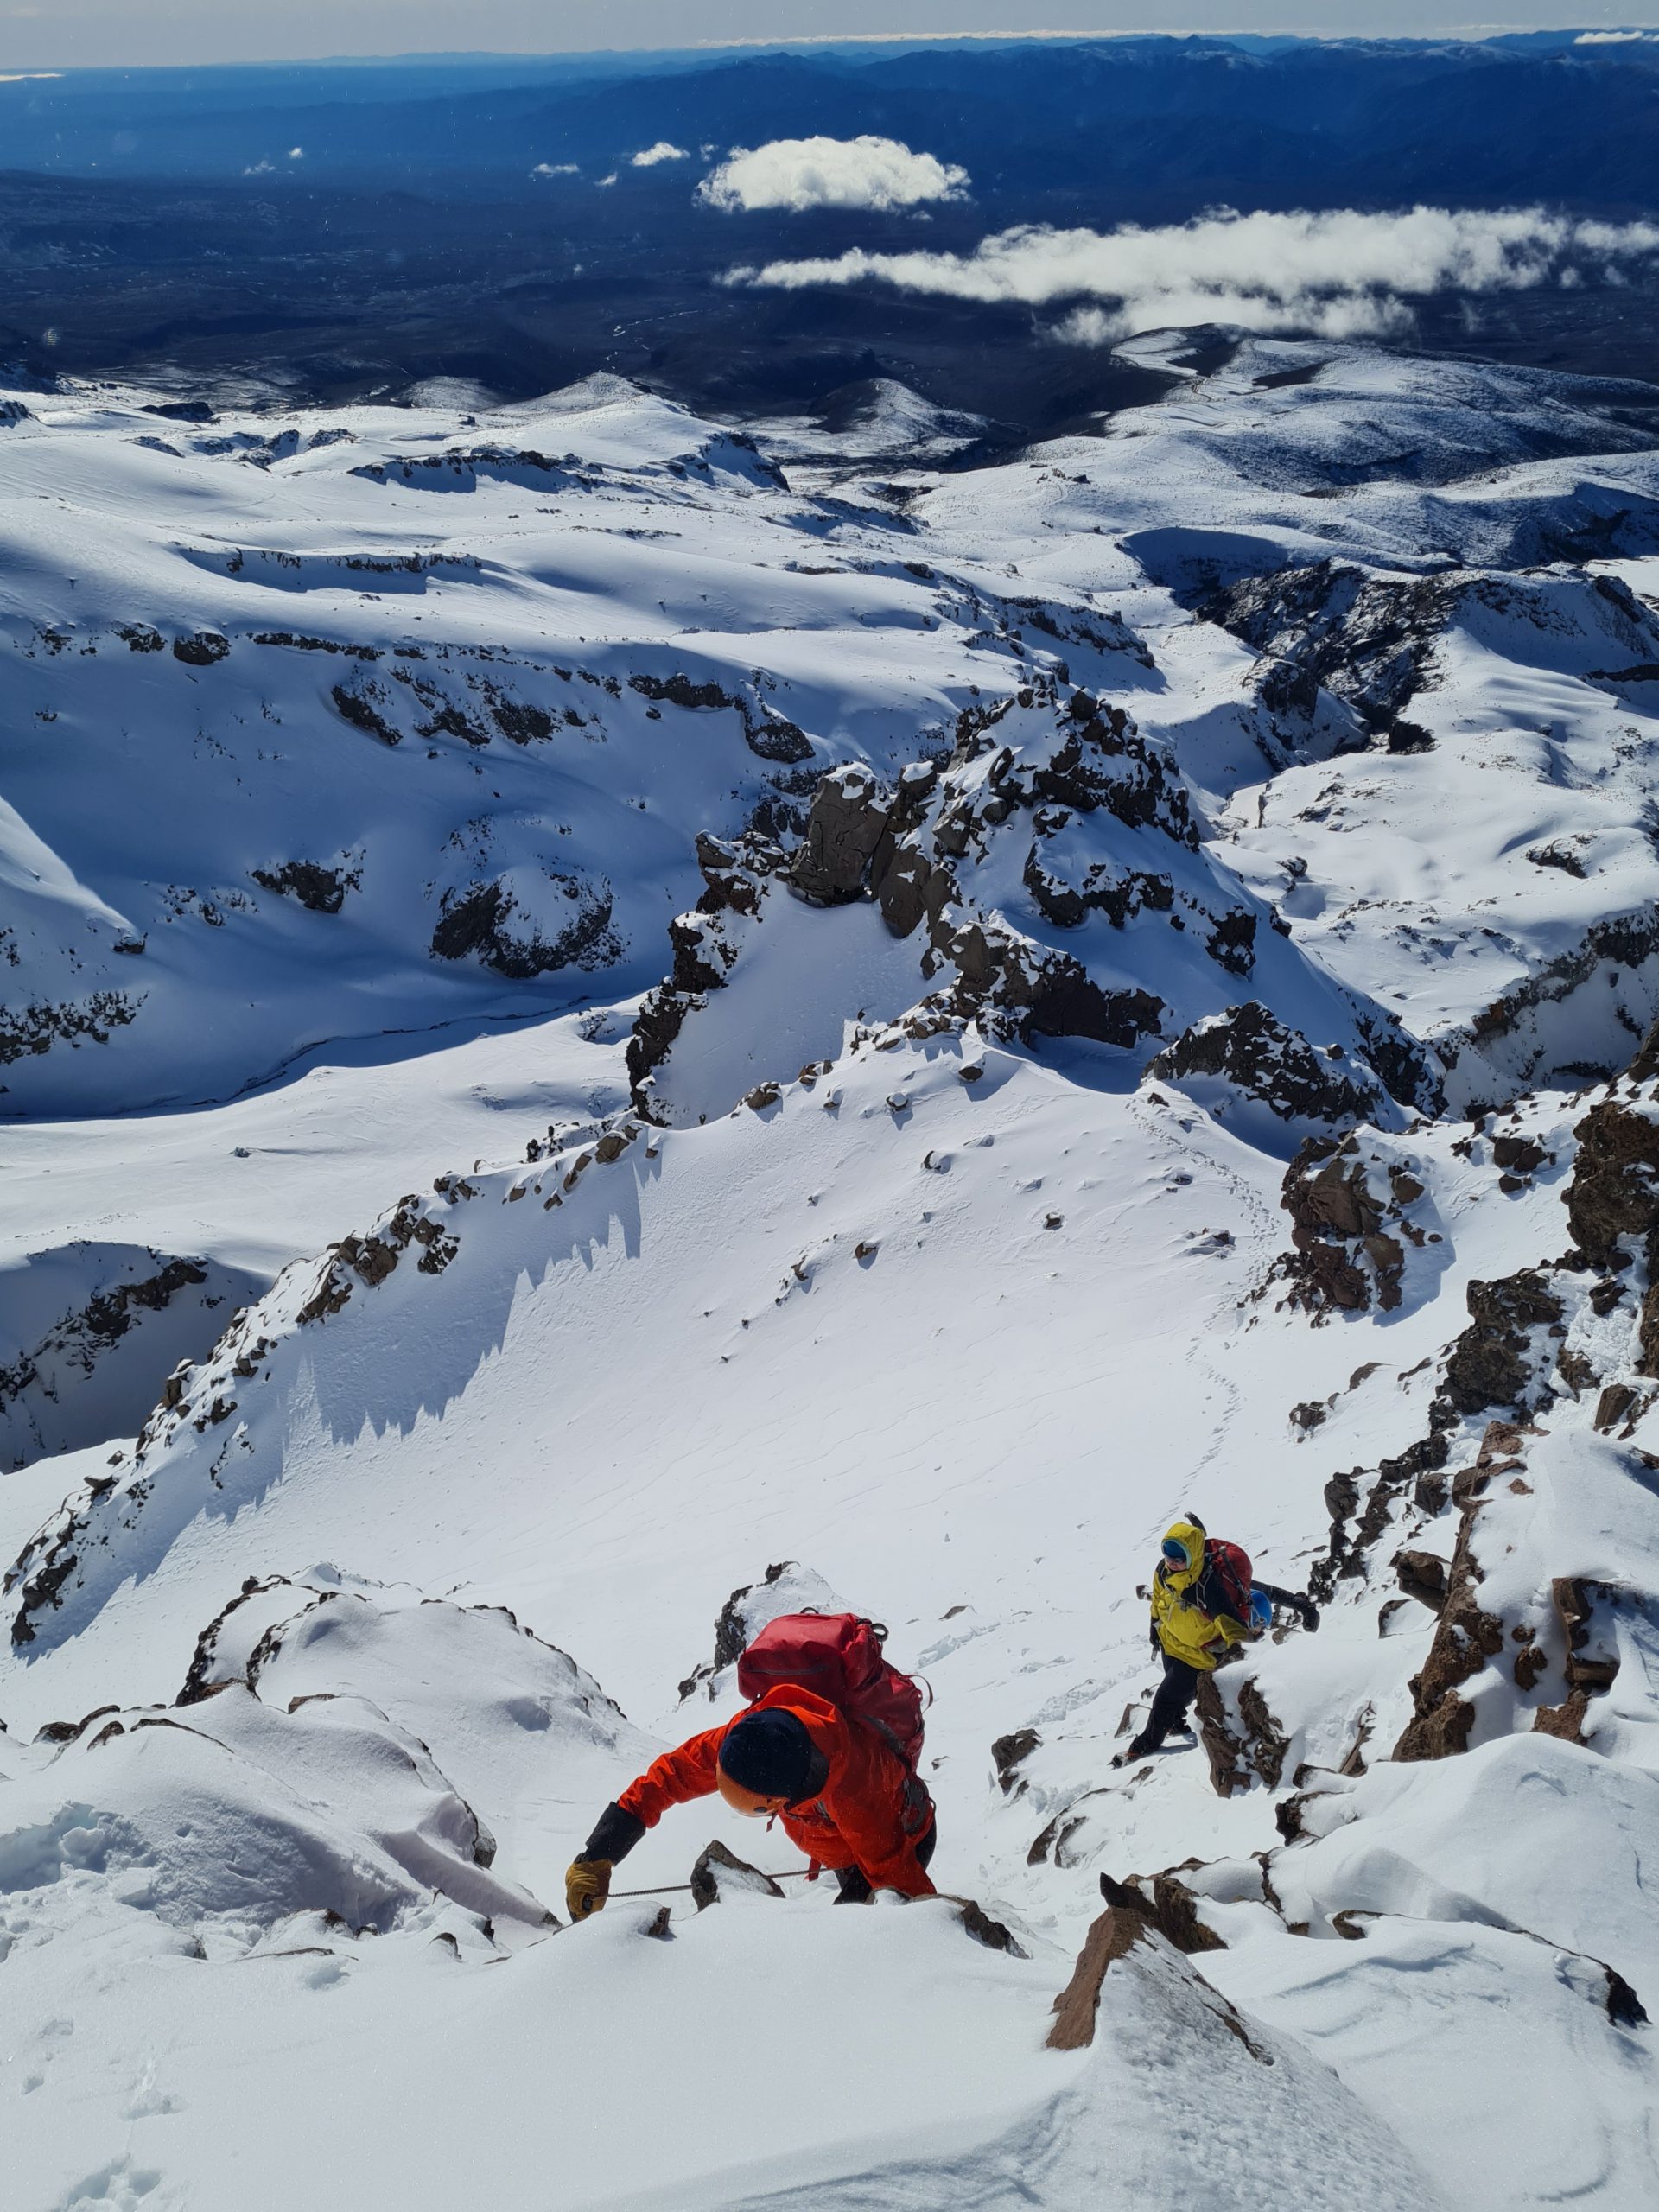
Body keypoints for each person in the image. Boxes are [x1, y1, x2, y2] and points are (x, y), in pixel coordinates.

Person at [565, 1681, 937, 1919]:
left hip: (904, 1840)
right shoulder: (748, 1738)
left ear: (784, 1796)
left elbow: (896, 1875)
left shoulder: (854, 1787)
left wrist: (938, 1939)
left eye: (755, 1806)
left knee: (849, 1947)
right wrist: (600, 1853)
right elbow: (671, 1777)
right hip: (839, 1846)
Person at [1111, 1513, 1319, 1768]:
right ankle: (1175, 1723)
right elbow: (1158, 1600)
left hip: (1199, 1657)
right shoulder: (1163, 1571)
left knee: (1165, 1698)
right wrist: (1155, 1628)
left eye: (1179, 1558)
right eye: (1168, 1554)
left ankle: (1145, 1744)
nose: (1172, 1562)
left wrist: (1245, 1664)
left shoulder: (1209, 1587)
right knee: (1175, 1690)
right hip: (1172, 1644)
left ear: (1193, 1556)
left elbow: (1236, 1631)